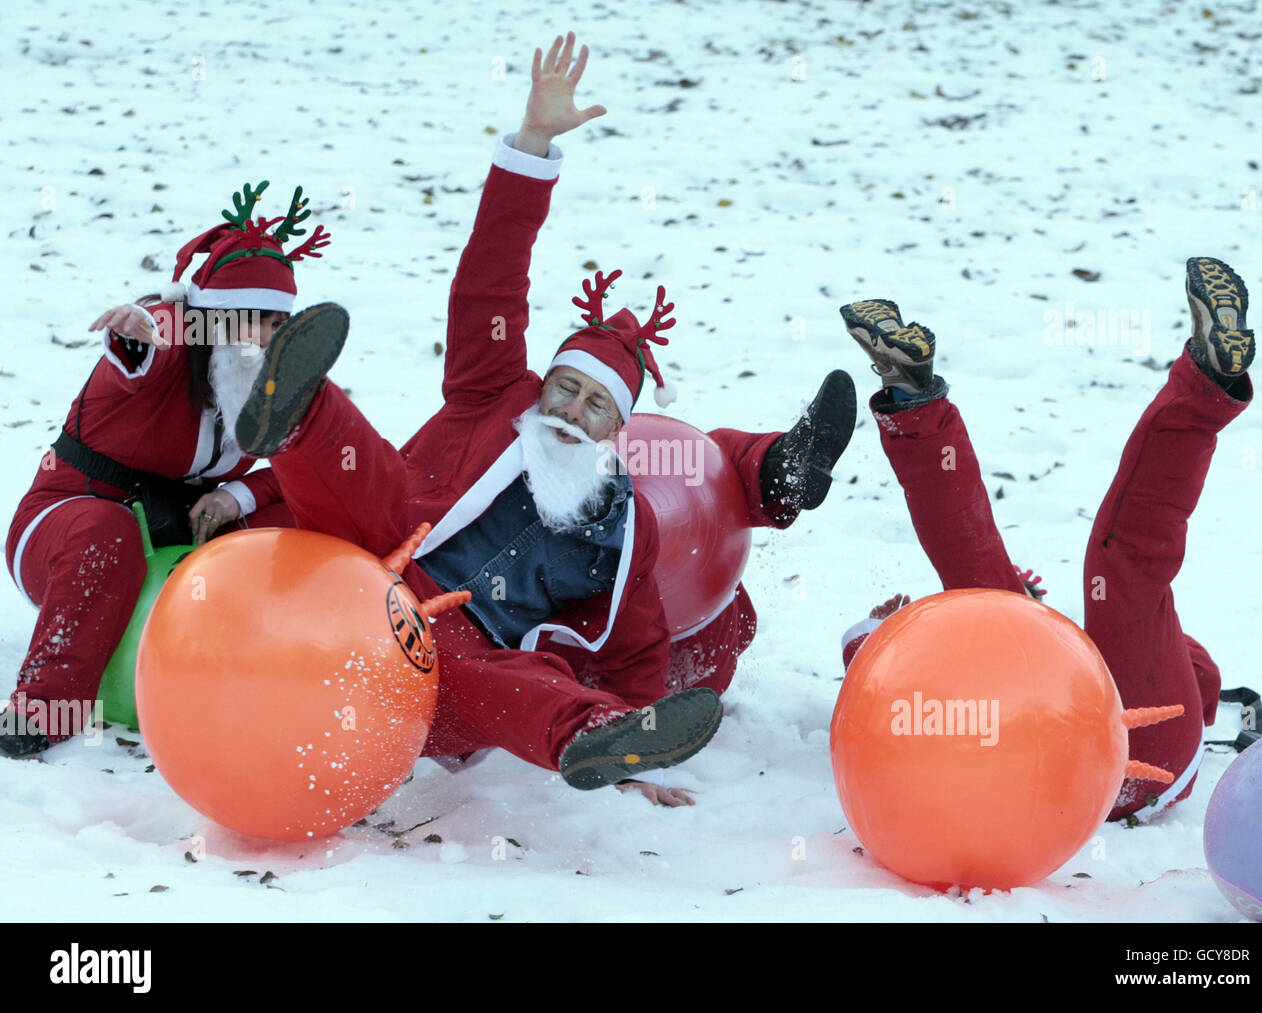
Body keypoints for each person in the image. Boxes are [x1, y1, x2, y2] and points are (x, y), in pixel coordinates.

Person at [222, 33, 856, 802]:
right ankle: (293, 408)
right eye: (562, 387)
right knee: (374, 482)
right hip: (368, 555)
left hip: (445, 645)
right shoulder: (495, 391)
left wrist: (638, 729)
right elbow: (489, 285)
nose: (567, 410)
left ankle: (592, 739)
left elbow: (633, 640)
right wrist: (532, 148)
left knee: (497, 677)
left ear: (616, 432)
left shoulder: (620, 524)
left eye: (593, 405)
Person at [837, 256, 1255, 822]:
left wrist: (876, 638)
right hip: (1136, 753)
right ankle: (913, 399)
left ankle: (912, 398)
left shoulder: (947, 662)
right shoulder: (956, 652)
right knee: (1103, 566)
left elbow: (883, 708)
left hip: (1044, 752)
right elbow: (1202, 678)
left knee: (1024, 588)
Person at [1, 185, 328, 757]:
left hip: (178, 532)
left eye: (275, 322)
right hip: (65, 529)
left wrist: (238, 498)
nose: (260, 336)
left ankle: (271, 671)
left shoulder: (274, 382)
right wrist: (136, 329)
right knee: (108, 530)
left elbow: (311, 468)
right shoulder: (171, 342)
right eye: (245, 318)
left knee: (303, 514)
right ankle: (45, 703)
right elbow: (147, 343)